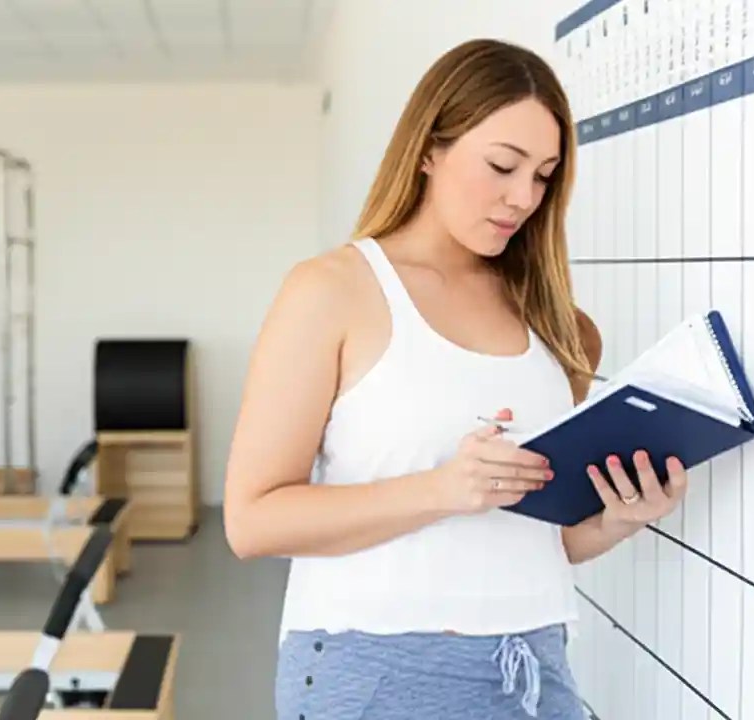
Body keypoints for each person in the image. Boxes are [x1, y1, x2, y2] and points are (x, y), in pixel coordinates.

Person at [223, 38, 691, 720]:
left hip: (535, 669)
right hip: (375, 675)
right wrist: (441, 489)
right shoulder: (332, 292)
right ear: (429, 148)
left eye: (543, 175)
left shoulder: (560, 326)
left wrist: (616, 521)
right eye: (502, 166)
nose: (522, 197)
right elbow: (252, 520)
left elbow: (535, 538)